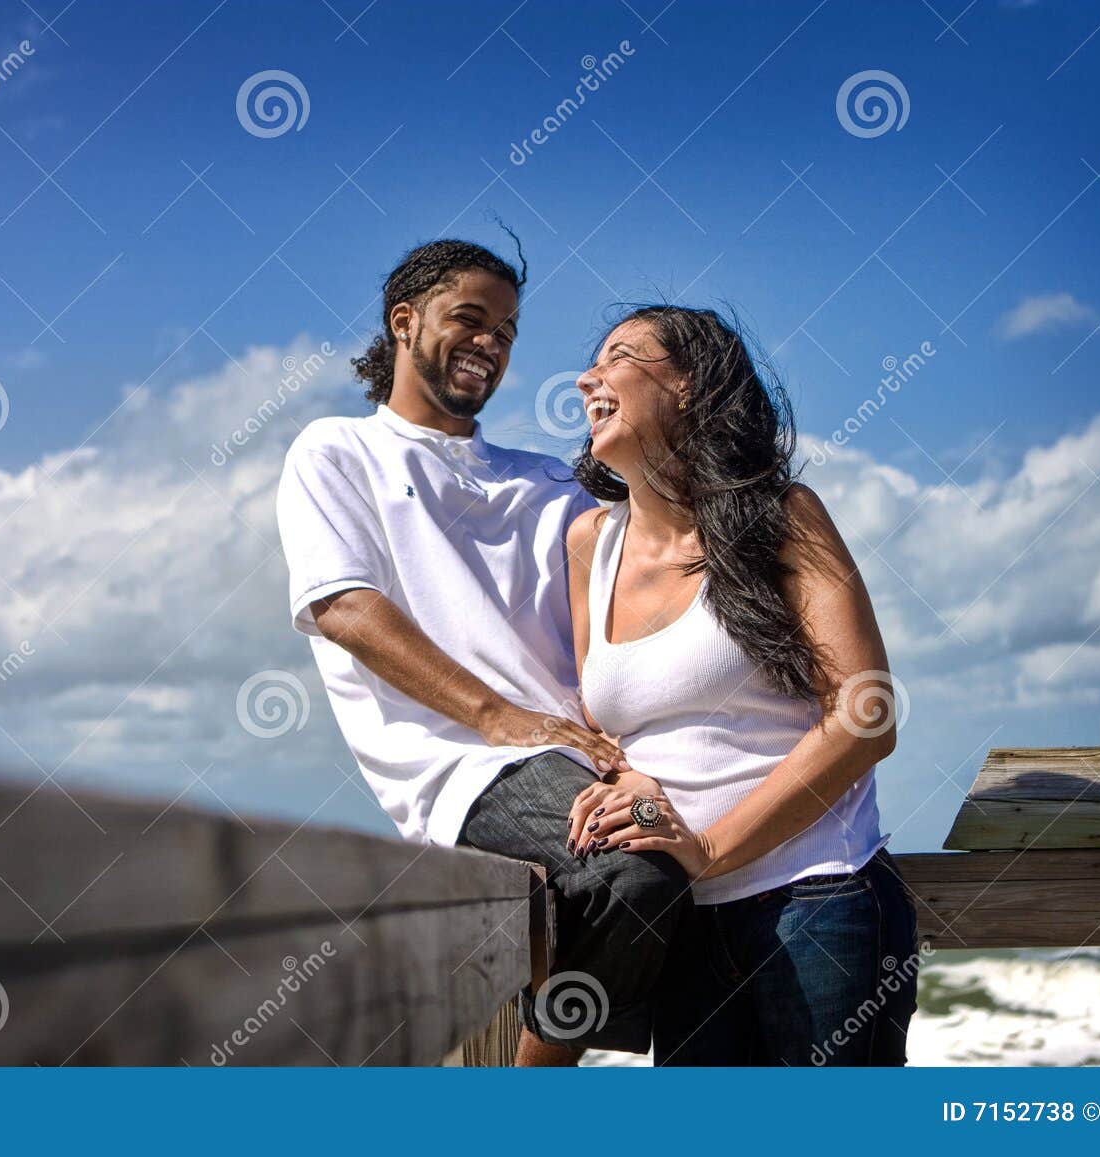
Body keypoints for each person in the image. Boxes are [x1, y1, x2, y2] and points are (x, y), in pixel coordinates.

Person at [275, 240, 687, 1065]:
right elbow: (345, 607)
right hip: (469, 770)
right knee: (635, 875)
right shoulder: (337, 451)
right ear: (404, 322)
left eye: (506, 330)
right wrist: (499, 717)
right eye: (470, 318)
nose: (490, 343)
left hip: (593, 756)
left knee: (712, 890)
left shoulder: (553, 482)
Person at [561, 305, 919, 1066]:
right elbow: (607, 725)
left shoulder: (782, 516)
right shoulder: (589, 541)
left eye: (620, 356)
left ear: (688, 385)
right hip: (683, 916)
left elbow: (866, 715)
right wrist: (625, 781)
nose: (588, 378)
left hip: (816, 900)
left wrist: (711, 847)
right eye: (590, 364)